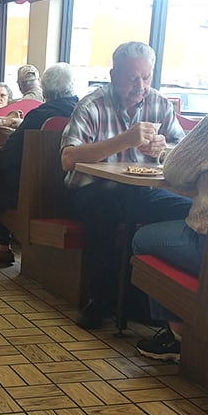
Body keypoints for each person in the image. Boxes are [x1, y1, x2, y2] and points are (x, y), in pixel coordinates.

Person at [61, 41, 191, 329]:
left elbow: (183, 152)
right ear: (112, 75)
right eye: (132, 78)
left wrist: (163, 149)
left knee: (188, 210)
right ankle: (100, 300)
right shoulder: (92, 105)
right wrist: (124, 140)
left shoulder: (159, 104)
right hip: (92, 188)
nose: (140, 85)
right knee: (104, 213)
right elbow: (68, 158)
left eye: (146, 77)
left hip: (142, 190)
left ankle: (155, 302)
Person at [0, 63, 79, 273]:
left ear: (45, 90)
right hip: (66, 191)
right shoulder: (81, 112)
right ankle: (2, 247)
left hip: (31, 194)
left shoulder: (40, 116)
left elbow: (11, 153)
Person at [132, 111, 208, 362]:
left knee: (142, 239)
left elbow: (175, 169)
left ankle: (177, 334)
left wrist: (165, 153)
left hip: (206, 248)